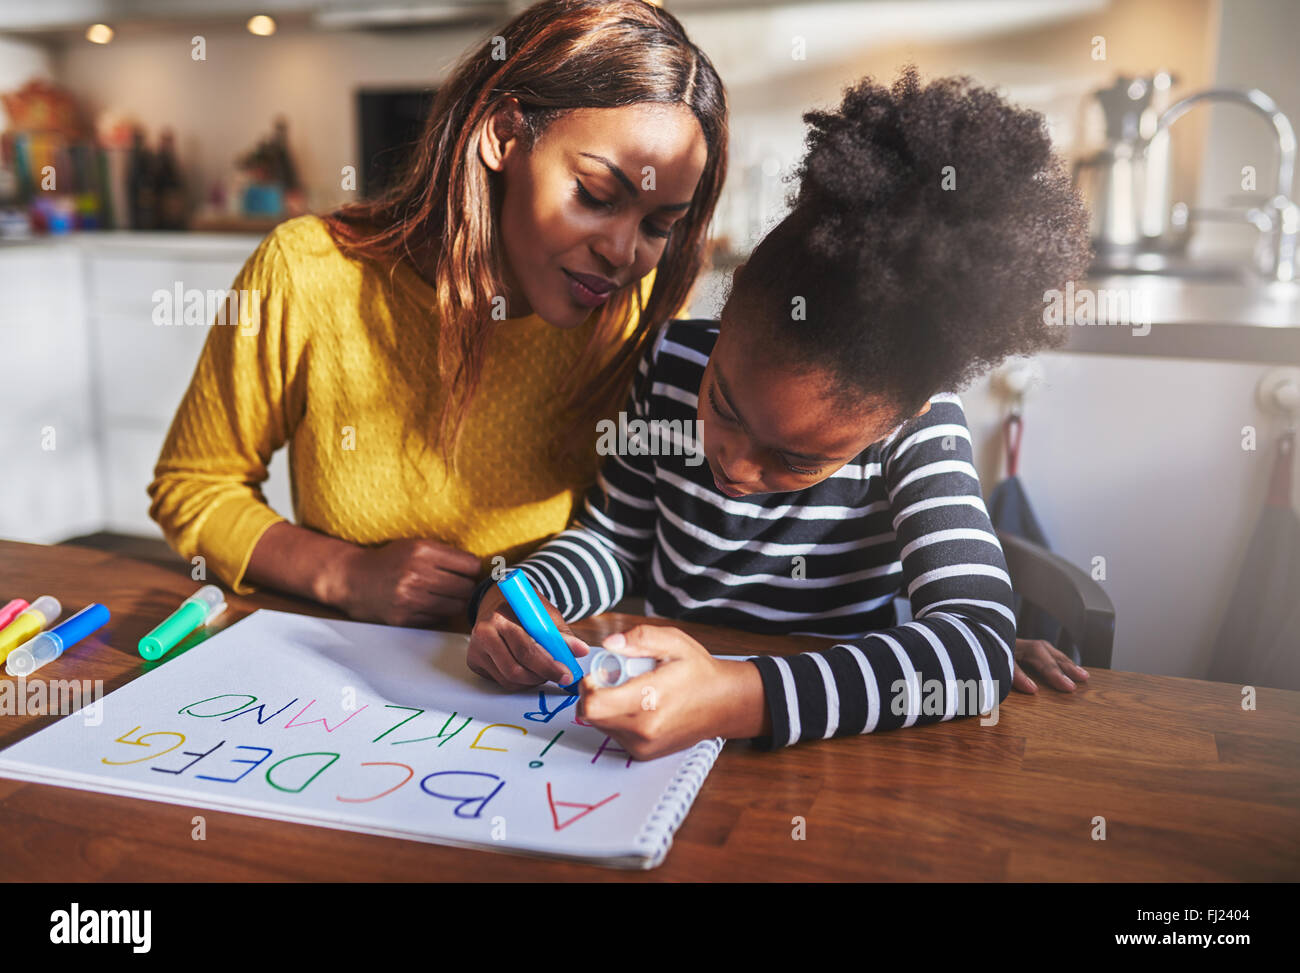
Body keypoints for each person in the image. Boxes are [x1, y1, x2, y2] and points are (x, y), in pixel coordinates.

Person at [466, 67, 1094, 757]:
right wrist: (530, 589)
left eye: (796, 459)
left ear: (895, 417)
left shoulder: (920, 429)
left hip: (824, 752)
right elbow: (615, 540)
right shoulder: (671, 359)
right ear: (727, 306)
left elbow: (975, 646)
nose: (733, 463)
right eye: (725, 406)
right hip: (655, 737)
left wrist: (735, 696)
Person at [147, 0, 728, 629]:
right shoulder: (307, 272)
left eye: (659, 225)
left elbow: (641, 529)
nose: (621, 252)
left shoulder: (637, 307)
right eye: (594, 195)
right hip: (350, 660)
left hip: (549, 674)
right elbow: (194, 486)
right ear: (503, 135)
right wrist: (344, 574)